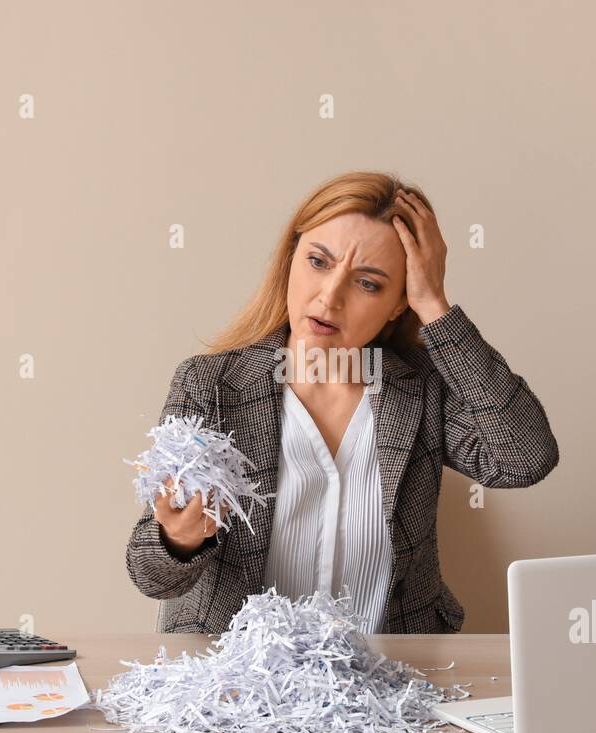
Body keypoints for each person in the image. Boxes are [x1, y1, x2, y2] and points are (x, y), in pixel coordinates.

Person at [126, 171, 559, 633]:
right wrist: (178, 539)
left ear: (399, 303)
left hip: (392, 679)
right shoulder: (211, 385)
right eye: (318, 261)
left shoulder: (423, 389)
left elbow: (524, 459)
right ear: (290, 259)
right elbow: (152, 577)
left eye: (368, 283)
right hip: (239, 684)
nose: (329, 297)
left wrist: (435, 304)